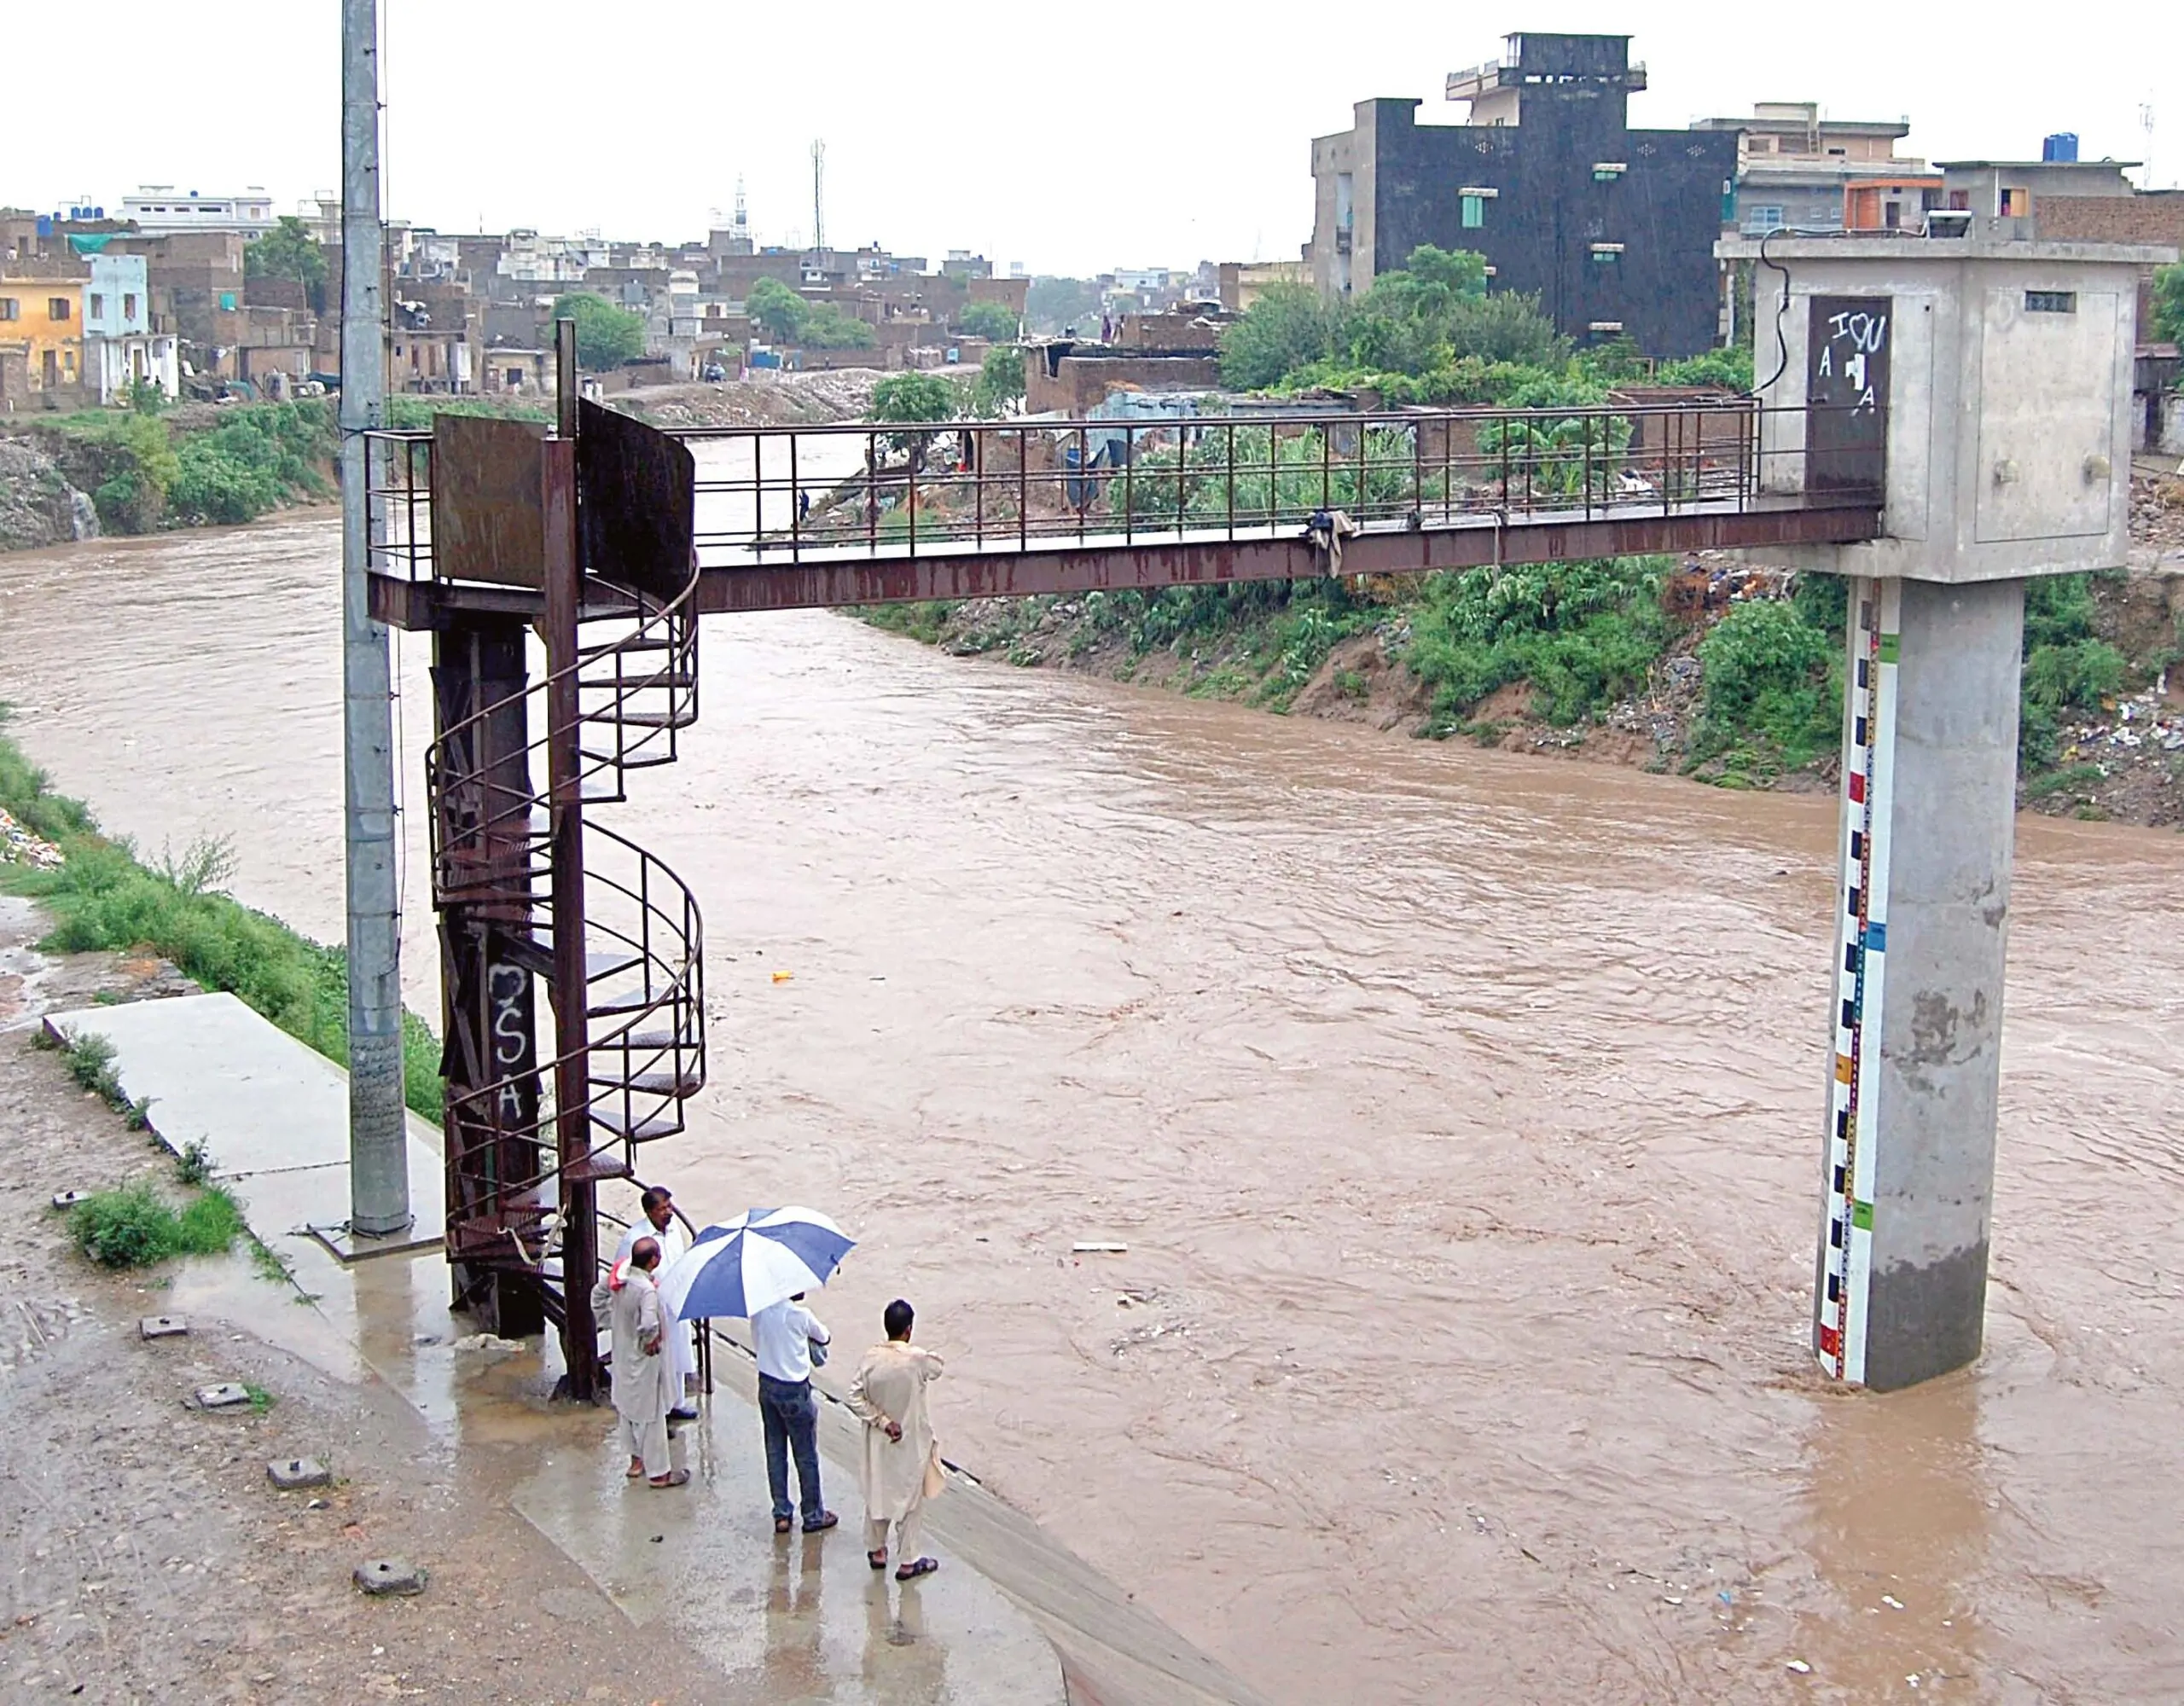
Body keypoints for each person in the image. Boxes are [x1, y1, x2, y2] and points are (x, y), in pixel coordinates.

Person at [846, 1298, 945, 1581]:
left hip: (879, 1439)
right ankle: (908, 1561)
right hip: (909, 1442)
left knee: (878, 1494)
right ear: (909, 1330)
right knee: (910, 1500)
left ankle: (877, 1551)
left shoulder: (870, 1358)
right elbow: (938, 1366)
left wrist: (882, 1421)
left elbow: (854, 1395)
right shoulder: (916, 1360)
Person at [590, 1236, 688, 1488]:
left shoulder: (620, 1277)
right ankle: (659, 1474)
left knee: (628, 1410)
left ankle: (636, 1462)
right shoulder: (647, 1291)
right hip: (643, 1361)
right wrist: (650, 1340)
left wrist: (608, 1319)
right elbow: (648, 1322)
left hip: (623, 1353)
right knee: (652, 1416)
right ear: (653, 1261)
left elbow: (597, 1295)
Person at [752, 1291, 836, 1535]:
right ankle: (812, 1514)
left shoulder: (759, 1311)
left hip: (767, 1384)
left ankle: (781, 1513)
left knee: (775, 1451)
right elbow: (825, 1336)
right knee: (806, 1454)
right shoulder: (801, 1315)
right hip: (795, 1390)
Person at [616, 1186, 698, 1420]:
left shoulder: (673, 1230)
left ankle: (677, 1404)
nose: (669, 1212)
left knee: (679, 1354)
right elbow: (623, 1272)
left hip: (676, 1302)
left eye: (670, 1206)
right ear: (650, 1212)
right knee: (658, 1361)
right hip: (653, 1306)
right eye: (663, 1209)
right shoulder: (636, 1239)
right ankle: (659, 1413)